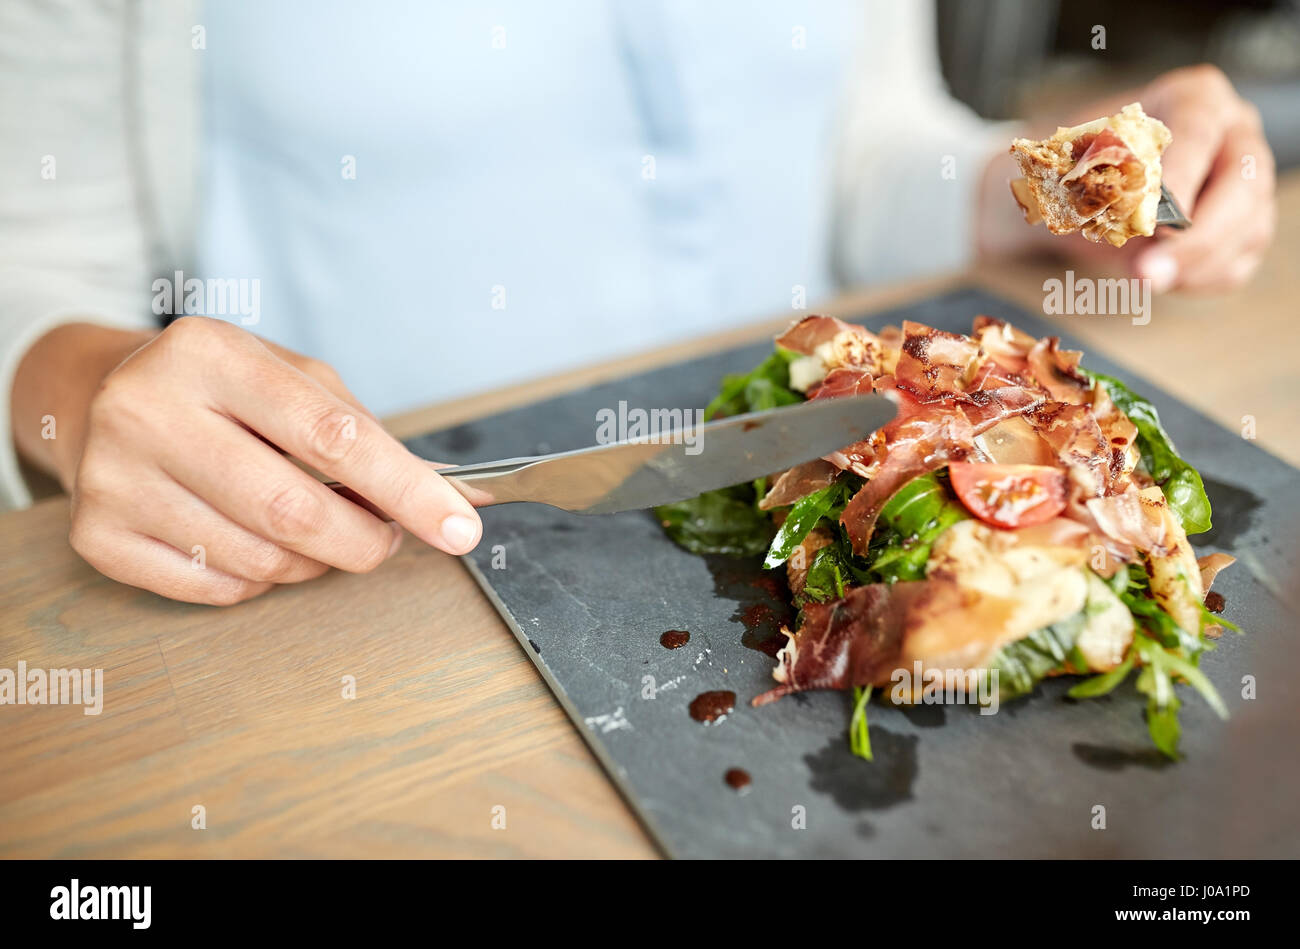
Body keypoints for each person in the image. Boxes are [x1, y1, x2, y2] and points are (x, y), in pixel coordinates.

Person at [0, 1, 1276, 604]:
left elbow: (861, 154)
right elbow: (34, 269)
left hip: (781, 494)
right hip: (360, 565)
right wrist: (88, 402)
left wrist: (1056, 186)